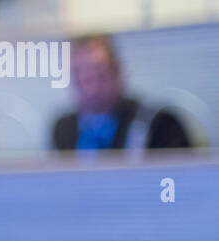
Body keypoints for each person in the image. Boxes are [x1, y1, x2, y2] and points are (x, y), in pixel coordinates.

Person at [52, 34, 191, 153]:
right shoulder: (63, 129)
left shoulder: (159, 125)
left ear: (117, 70)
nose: (90, 87)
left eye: (98, 73)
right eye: (79, 74)